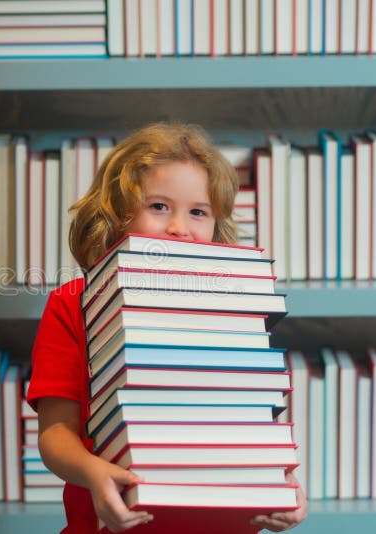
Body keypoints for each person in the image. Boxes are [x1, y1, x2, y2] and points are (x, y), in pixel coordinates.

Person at [27, 123, 308, 533]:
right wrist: (91, 471)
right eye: (158, 206)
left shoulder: (238, 304)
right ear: (119, 213)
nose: (179, 227)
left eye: (198, 212)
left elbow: (250, 427)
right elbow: (55, 434)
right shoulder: (74, 303)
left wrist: (282, 487)